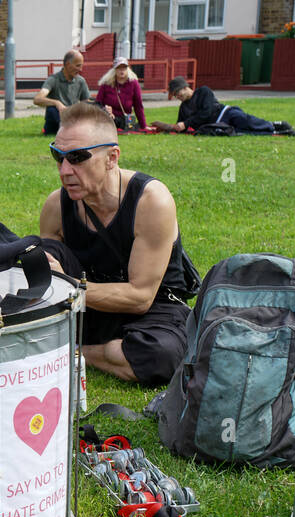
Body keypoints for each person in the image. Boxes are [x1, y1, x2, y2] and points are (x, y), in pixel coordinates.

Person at [39, 102, 197, 385]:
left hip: (154, 310)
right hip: (91, 305)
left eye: (77, 157)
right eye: (58, 156)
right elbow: (49, 281)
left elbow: (140, 297)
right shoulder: (56, 206)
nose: (64, 170)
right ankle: (102, 350)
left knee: (160, 355)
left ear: (112, 157)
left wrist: (69, 287)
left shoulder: (151, 201)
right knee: (47, 253)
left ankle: (73, 351)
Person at [154, 77, 281, 134]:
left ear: (185, 87)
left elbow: (206, 112)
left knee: (244, 120)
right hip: (214, 126)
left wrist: (186, 123)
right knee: (243, 132)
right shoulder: (183, 107)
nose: (177, 96)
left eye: (178, 92)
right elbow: (180, 125)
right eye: (175, 95)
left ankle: (273, 125)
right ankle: (271, 130)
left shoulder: (203, 91)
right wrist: (170, 127)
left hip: (225, 114)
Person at [34, 50, 96, 136]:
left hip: (73, 117)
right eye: (78, 66)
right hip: (57, 119)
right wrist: (56, 103)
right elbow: (37, 99)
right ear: (67, 65)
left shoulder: (81, 81)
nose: (80, 69)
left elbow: (87, 102)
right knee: (52, 110)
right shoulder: (53, 79)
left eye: (81, 66)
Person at [96, 58, 145, 131]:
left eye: (124, 68)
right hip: (109, 118)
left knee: (131, 127)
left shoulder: (134, 83)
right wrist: (105, 110)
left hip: (126, 118)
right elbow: (97, 103)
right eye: (119, 68)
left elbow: (138, 106)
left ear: (128, 69)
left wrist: (143, 125)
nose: (122, 70)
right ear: (114, 70)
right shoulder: (106, 84)